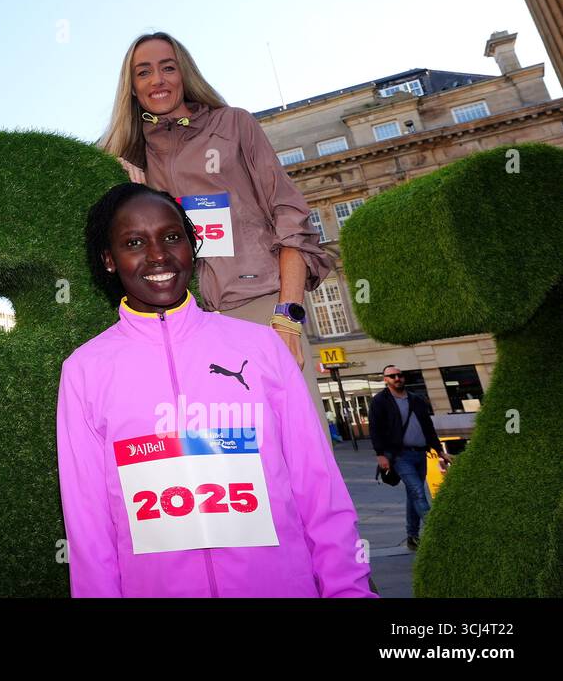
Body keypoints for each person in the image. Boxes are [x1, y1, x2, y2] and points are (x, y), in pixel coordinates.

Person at [57, 182, 373, 597]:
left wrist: (349, 590)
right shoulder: (84, 370)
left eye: (172, 237)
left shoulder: (262, 348)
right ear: (109, 260)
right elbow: (88, 524)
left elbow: (319, 490)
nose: (158, 255)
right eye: (134, 242)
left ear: (193, 245)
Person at [99, 31, 332, 416]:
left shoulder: (234, 125)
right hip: (183, 325)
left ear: (184, 74)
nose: (157, 79)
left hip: (259, 310)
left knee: (298, 452)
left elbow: (290, 218)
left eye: (167, 68)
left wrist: (287, 316)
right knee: (226, 461)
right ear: (133, 87)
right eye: (144, 72)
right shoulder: (127, 157)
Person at [368, 366, 450, 551]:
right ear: (385, 379)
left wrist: (439, 450)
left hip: (420, 453)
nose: (397, 378)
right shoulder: (380, 401)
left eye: (399, 375)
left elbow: (427, 426)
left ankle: (412, 536)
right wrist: (380, 454)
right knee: (419, 493)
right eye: (392, 376)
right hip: (399, 455)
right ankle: (436, 534)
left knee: (414, 493)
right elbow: (375, 429)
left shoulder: (416, 399)